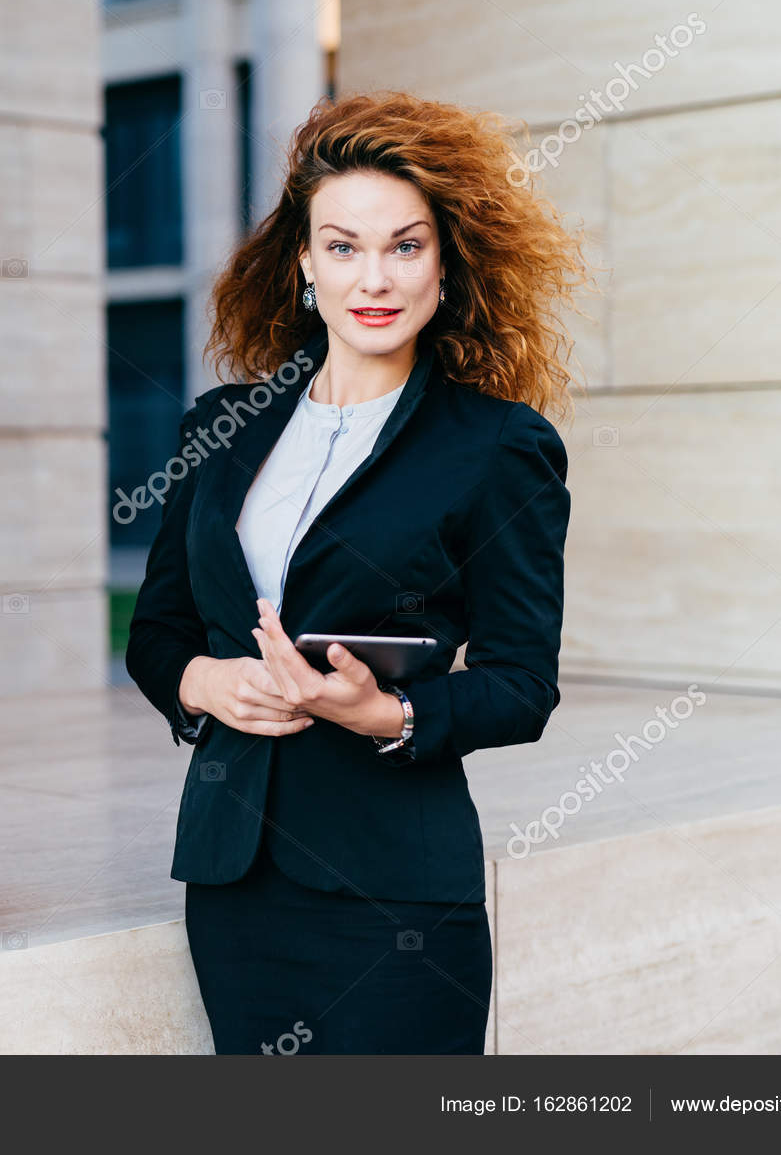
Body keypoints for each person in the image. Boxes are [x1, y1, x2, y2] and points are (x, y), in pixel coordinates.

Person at [125, 90, 593, 1055]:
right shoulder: (217, 431)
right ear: (302, 262)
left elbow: (521, 683)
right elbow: (160, 632)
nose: (373, 277)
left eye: (404, 246)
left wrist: (387, 714)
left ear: (445, 262)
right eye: (343, 246)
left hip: (395, 896)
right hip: (234, 882)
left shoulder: (498, 445)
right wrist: (205, 681)